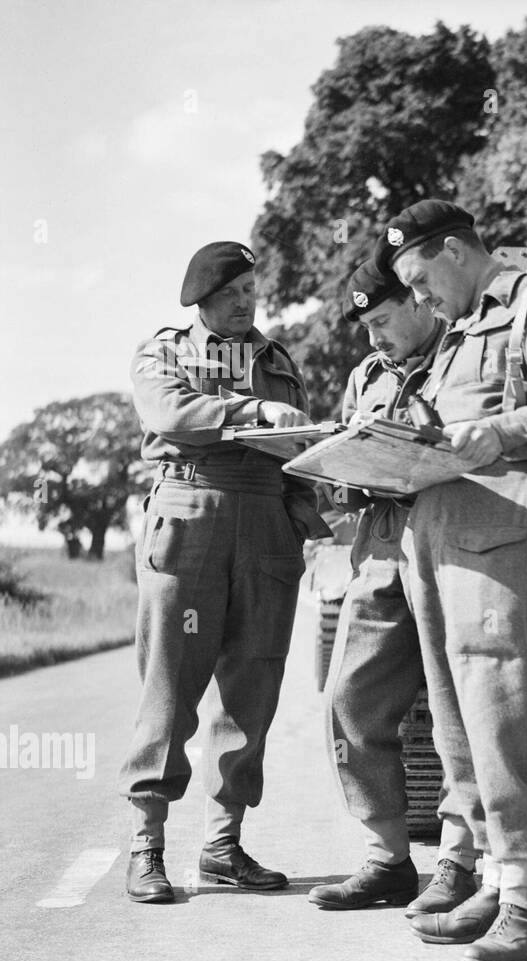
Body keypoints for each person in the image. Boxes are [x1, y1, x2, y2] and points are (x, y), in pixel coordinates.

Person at [375, 199, 527, 961]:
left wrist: (502, 431)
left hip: (504, 538)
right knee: (455, 723)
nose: (419, 300)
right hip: (437, 539)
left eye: (419, 280)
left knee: (500, 711)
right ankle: (490, 874)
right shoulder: (454, 332)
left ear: (452, 251)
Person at [120, 241, 331, 903]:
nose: (249, 301)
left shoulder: (278, 359)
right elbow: (170, 414)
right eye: (236, 291)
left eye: (252, 289)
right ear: (201, 296)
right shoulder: (166, 351)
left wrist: (310, 517)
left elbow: (299, 449)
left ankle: (222, 844)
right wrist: (253, 412)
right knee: (170, 688)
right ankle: (146, 845)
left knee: (252, 688)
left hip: (268, 524)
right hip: (191, 513)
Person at [307, 259, 471, 911]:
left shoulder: (464, 355)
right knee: (350, 697)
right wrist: (339, 471)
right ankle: (388, 856)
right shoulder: (367, 377)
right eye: (365, 327)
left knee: (458, 708)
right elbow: (353, 460)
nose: (373, 338)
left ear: (418, 302)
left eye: (381, 321)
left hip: (452, 545)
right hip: (379, 548)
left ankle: (459, 858)